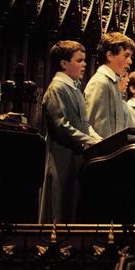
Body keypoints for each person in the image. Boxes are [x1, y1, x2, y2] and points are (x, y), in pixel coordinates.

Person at [38, 40, 101, 222]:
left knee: (72, 201)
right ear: (64, 63)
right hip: (62, 155)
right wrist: (89, 141)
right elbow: (61, 126)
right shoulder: (57, 88)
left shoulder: (74, 87)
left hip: (76, 155)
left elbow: (84, 123)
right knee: (59, 200)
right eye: (79, 60)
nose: (84, 64)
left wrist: (98, 139)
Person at [85, 32, 135, 138]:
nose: (130, 61)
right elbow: (90, 125)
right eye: (126, 56)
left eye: (130, 57)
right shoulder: (100, 82)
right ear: (110, 56)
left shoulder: (113, 83)